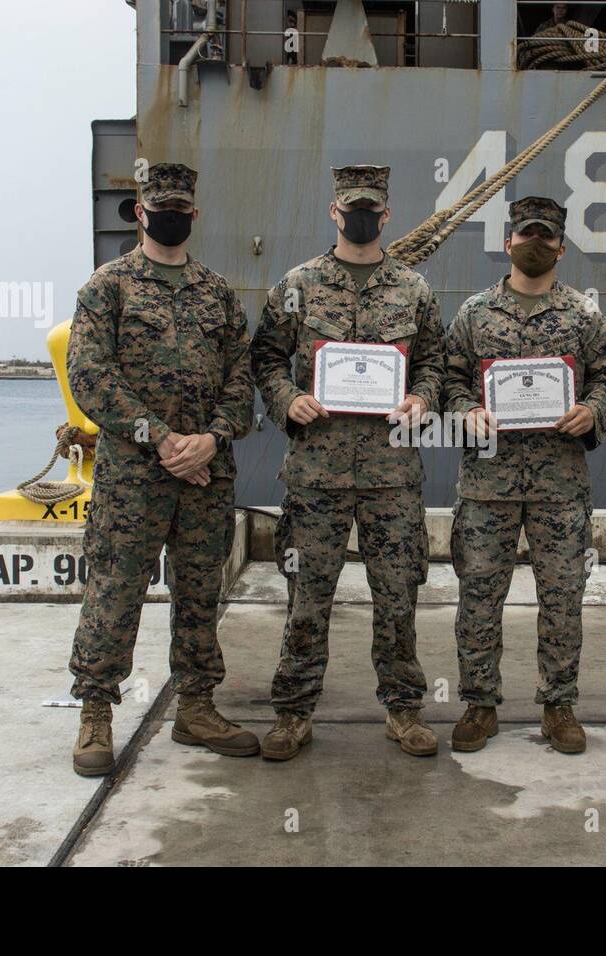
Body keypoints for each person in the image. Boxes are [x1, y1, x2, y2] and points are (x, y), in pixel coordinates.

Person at [249, 164, 446, 760]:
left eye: (371, 209)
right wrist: (288, 399)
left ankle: (404, 710)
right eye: (350, 207)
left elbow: (436, 363)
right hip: (317, 474)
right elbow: (264, 358)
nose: (360, 217)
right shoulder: (298, 285)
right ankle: (293, 712)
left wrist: (422, 398)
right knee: (308, 597)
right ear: (334, 213)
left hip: (392, 477)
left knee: (397, 597)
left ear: (386, 217)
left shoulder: (414, 290)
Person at [67, 162, 258, 776]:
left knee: (200, 592)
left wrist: (211, 437)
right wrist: (164, 440)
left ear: (193, 215)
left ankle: (196, 706)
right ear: (141, 212)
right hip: (133, 478)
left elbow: (242, 381)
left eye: (181, 206)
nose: (170, 214)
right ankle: (96, 712)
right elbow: (92, 378)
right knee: (115, 591)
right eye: (160, 205)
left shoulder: (218, 293)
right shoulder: (109, 287)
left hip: (206, 474)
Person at [444, 196, 606, 754]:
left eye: (547, 238)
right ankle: (479, 704)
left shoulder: (585, 315)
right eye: (527, 235)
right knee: (479, 595)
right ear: (508, 242)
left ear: (562, 248)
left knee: (563, 597)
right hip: (487, 486)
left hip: (559, 486)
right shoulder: (474, 314)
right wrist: (463, 411)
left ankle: (559, 705)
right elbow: (446, 380)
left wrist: (594, 410)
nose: (536, 245)